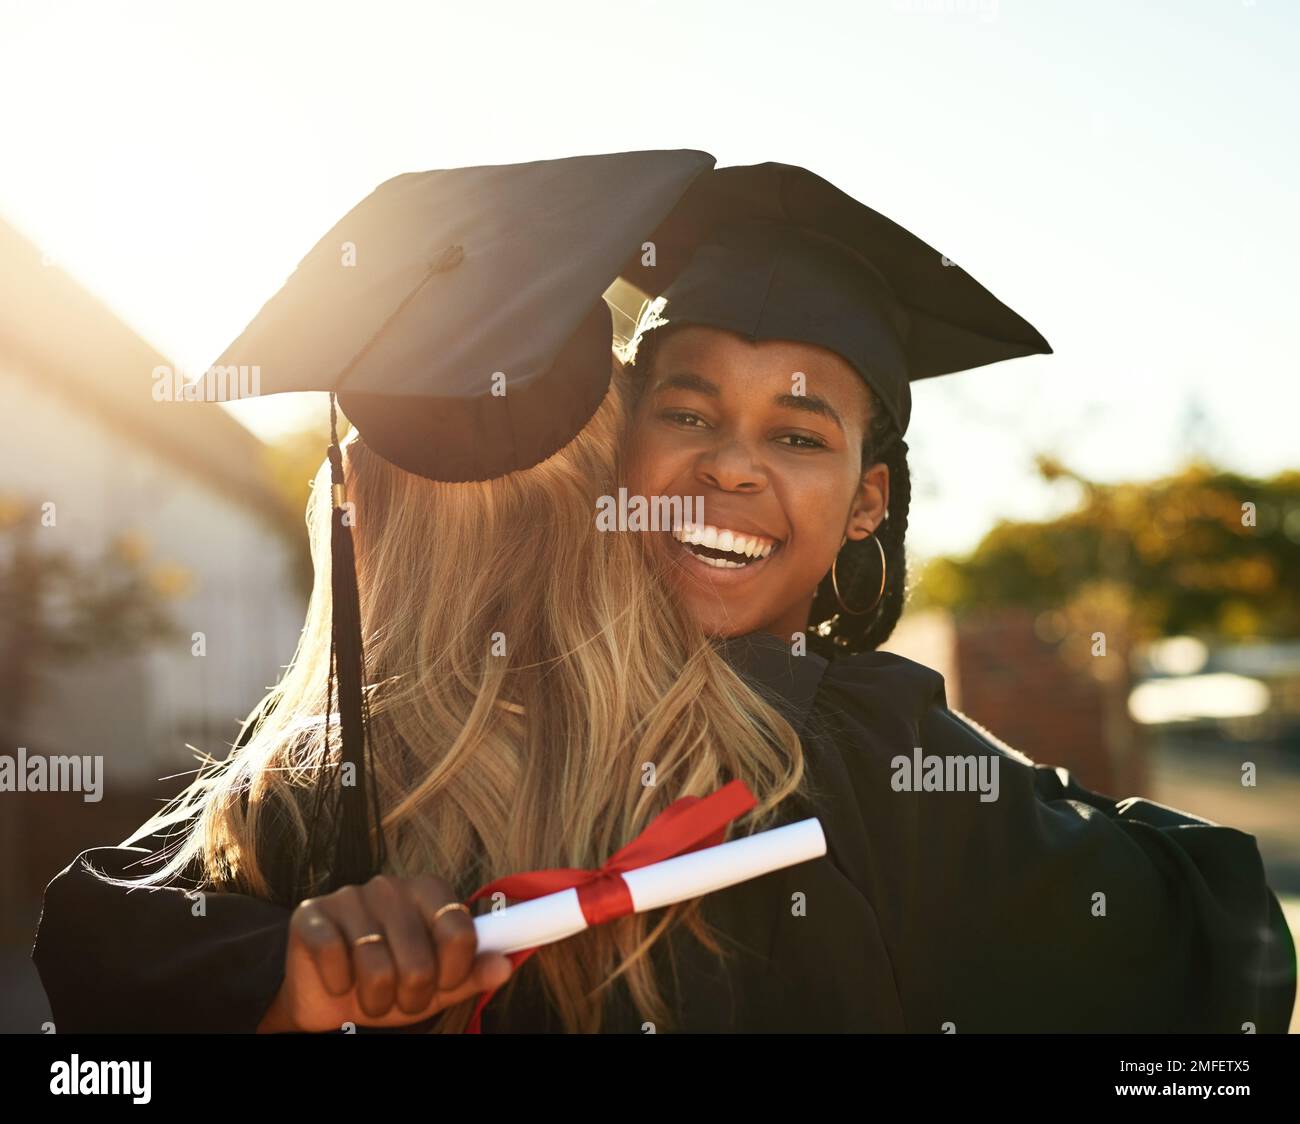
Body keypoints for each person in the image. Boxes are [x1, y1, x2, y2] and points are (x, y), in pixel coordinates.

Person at [31, 151, 1296, 1033]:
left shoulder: (878, 746)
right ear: (611, 448)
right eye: (683, 409)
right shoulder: (350, 772)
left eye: (800, 434)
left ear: (871, 500)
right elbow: (1218, 956)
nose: (732, 463)